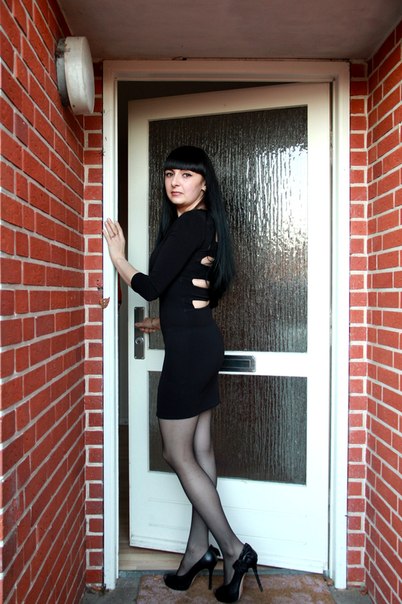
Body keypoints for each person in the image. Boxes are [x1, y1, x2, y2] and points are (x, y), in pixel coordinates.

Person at [103, 146, 263, 603]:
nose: (176, 181)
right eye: (170, 173)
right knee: (200, 448)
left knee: (176, 453)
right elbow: (195, 289)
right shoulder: (206, 224)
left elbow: (151, 286)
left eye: (187, 175)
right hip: (201, 341)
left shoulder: (190, 223)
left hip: (190, 352)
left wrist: (118, 256)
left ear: (204, 182)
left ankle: (233, 549)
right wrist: (166, 322)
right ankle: (198, 551)